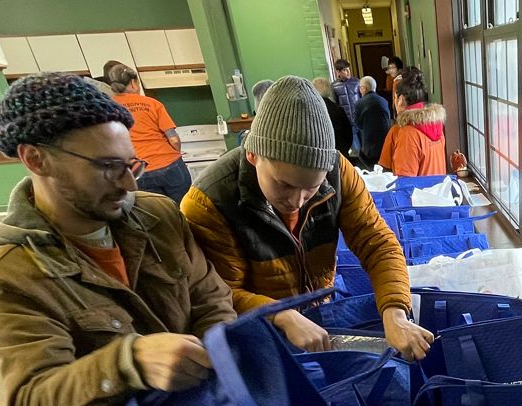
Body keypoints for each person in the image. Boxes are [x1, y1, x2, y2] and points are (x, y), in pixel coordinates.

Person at [0, 72, 235, 406]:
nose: (128, 185)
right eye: (107, 167)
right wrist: (129, 363)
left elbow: (212, 297)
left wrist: (215, 359)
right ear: (36, 159)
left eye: (131, 165)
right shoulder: (10, 275)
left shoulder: (159, 216)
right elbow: (35, 402)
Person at [180, 76, 432, 361]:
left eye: (312, 188)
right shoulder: (209, 203)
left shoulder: (339, 172)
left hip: (319, 312)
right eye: (284, 185)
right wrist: (280, 315)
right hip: (256, 336)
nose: (297, 201)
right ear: (253, 155)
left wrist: (395, 311)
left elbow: (377, 242)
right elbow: (218, 297)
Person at [107, 64, 192, 204]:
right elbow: (174, 139)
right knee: (185, 209)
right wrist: (174, 156)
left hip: (139, 170)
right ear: (133, 83)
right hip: (169, 165)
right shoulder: (152, 104)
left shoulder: (108, 109)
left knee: (158, 213)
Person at [378, 68, 447, 176]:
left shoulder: (406, 133)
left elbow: (405, 182)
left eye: (395, 97)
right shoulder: (436, 124)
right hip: (438, 190)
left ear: (400, 100)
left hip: (418, 193)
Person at [354, 75, 391, 169]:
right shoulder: (384, 101)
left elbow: (358, 124)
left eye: (360, 88)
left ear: (364, 88)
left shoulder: (359, 103)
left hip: (369, 144)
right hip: (385, 141)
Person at [312, 77, 354, 156]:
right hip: (340, 152)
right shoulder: (338, 109)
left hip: (322, 156)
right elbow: (348, 133)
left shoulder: (311, 111)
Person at [331, 59, 360, 152]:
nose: (348, 72)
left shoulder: (356, 82)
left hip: (360, 118)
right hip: (348, 121)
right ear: (338, 72)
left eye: (348, 69)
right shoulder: (334, 86)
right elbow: (336, 105)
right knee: (356, 148)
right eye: (344, 70)